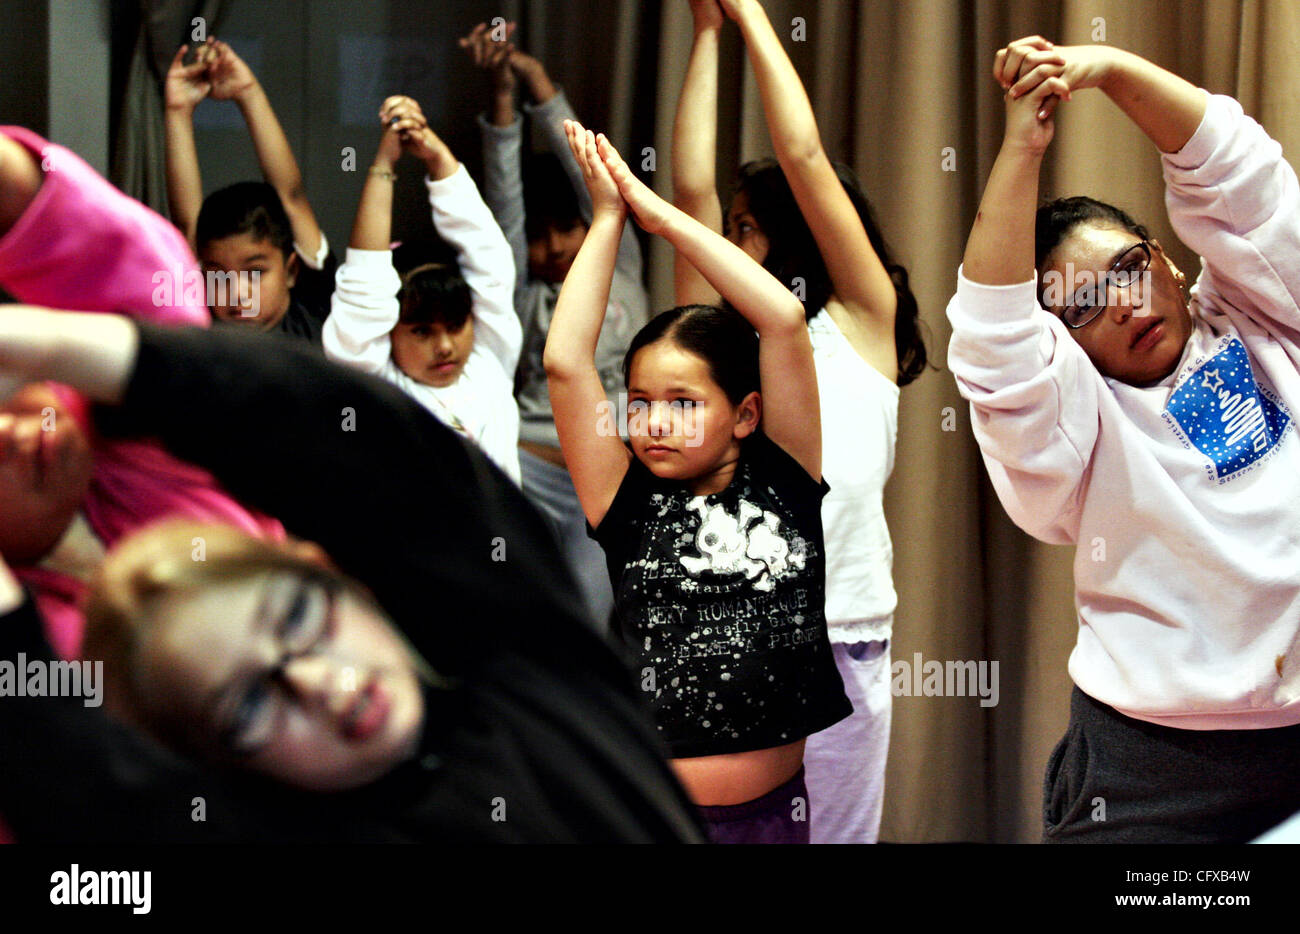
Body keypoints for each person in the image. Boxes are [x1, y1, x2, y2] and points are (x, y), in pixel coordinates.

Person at [0, 306, 705, 843]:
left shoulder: (540, 675)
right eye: (248, 706)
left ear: (342, 579)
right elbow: (58, 762)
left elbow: (380, 456)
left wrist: (42, 343)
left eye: (299, 620)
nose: (321, 686)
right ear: (216, 767)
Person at [948, 36, 1300, 842]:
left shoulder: (1268, 316)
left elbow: (1241, 176)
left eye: (1130, 268)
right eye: (1079, 306)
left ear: (1170, 264)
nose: (1121, 303)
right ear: (1060, 345)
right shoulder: (1078, 427)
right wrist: (1023, 145)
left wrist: (1108, 70)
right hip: (1153, 769)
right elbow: (994, 340)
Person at [546, 120, 851, 844]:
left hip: (774, 817)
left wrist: (658, 217)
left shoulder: (785, 478)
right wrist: (610, 220)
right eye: (641, 403)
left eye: (684, 404)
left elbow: (779, 316)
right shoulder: (626, 502)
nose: (654, 423)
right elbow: (565, 362)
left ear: (745, 415)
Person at [670, 0, 927, 843]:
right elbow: (687, 193)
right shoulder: (719, 342)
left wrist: (746, 16)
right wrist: (705, 36)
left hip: (845, 636)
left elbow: (803, 152)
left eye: (746, 229)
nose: (728, 240)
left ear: (790, 240)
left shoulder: (861, 318)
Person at [462, 21, 649, 625]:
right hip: (531, 468)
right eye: (539, 236)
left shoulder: (620, 264)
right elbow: (506, 203)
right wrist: (500, 98)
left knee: (591, 625)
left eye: (564, 228)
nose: (552, 246)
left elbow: (588, 179)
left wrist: (540, 84)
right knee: (517, 613)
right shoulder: (523, 291)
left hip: (610, 473)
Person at [323, 95, 522, 484]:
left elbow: (491, 259)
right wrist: (383, 164)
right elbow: (364, 291)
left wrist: (437, 157)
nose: (445, 345)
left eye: (455, 324)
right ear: (387, 332)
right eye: (421, 331)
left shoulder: (489, 363)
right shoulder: (376, 389)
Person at [164, 39, 335, 340]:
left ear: (291, 272)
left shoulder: (313, 306)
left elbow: (291, 197)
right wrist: (178, 110)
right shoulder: (202, 326)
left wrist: (248, 93)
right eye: (218, 276)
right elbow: (187, 222)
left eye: (255, 274)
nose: (238, 295)